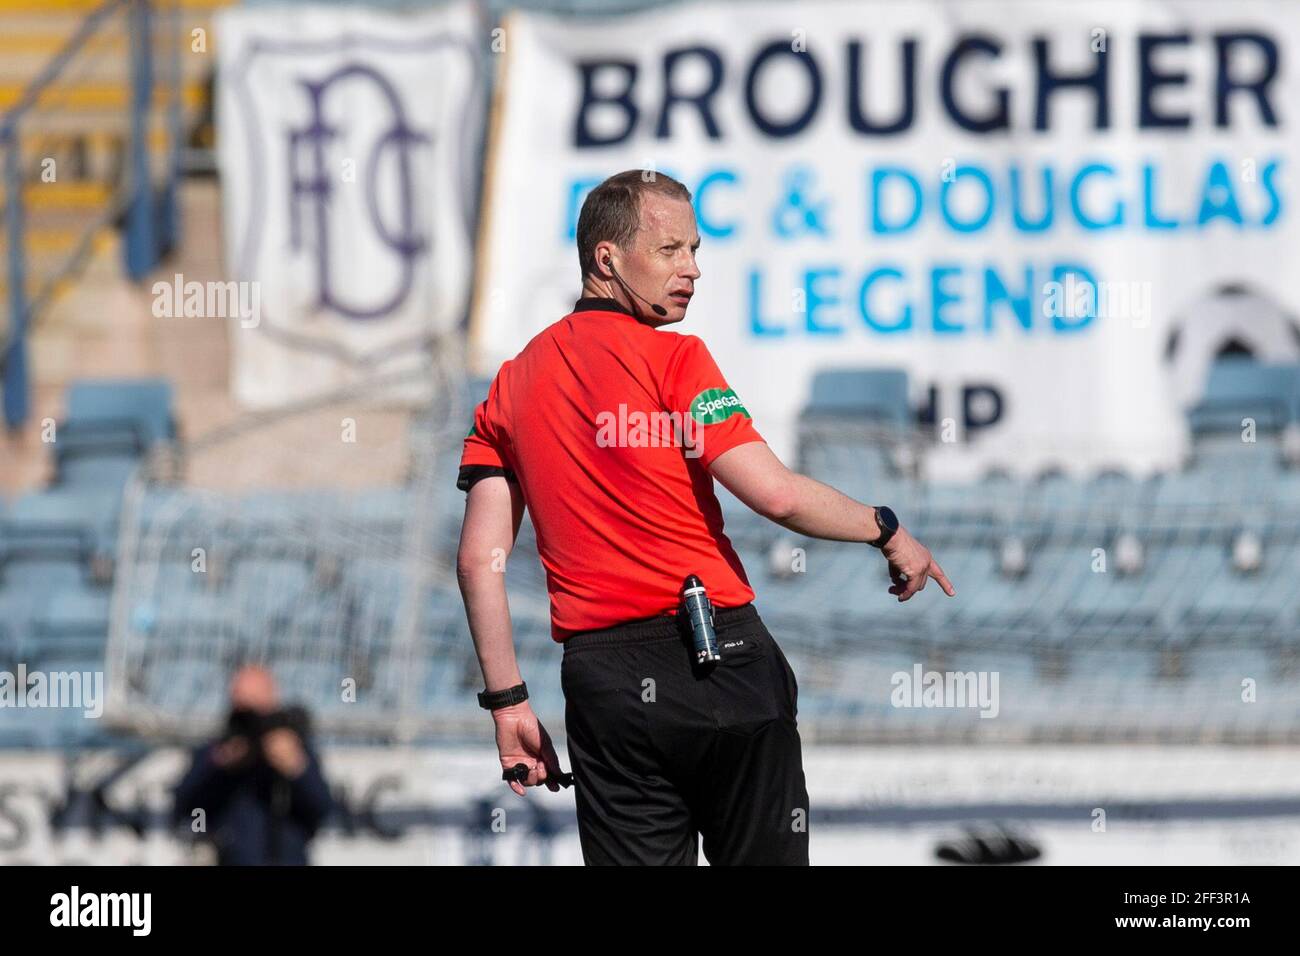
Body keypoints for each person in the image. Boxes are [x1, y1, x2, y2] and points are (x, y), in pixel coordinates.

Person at [456, 169, 954, 866]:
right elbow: (775, 494)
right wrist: (887, 529)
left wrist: (509, 705)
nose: (692, 270)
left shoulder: (508, 386)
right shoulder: (674, 357)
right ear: (606, 258)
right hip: (719, 661)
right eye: (669, 252)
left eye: (695, 250)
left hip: (604, 685)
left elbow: (480, 561)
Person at [172, 665, 333, 865]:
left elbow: (323, 808)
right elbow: (185, 804)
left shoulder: (294, 748)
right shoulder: (218, 750)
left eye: (255, 706)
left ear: (272, 701)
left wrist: (295, 767)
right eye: (241, 707)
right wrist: (219, 764)